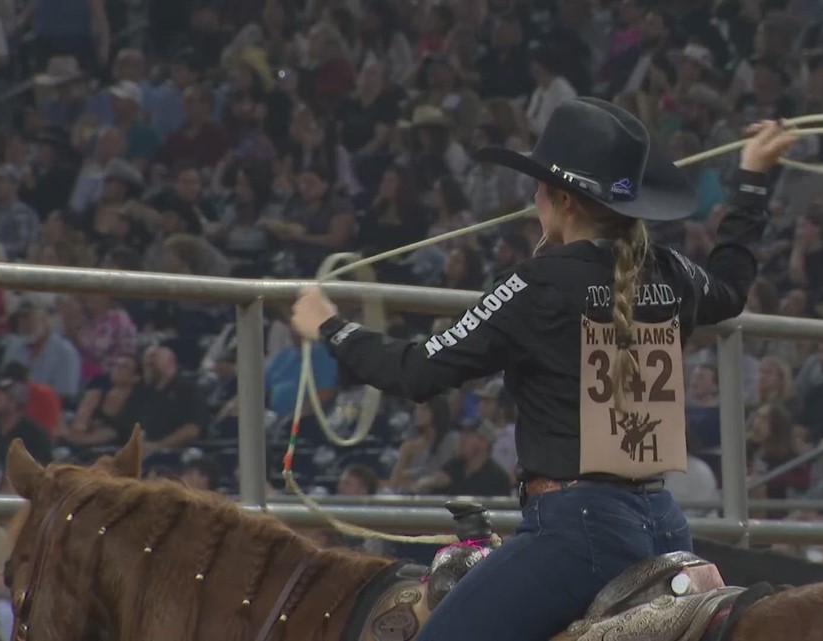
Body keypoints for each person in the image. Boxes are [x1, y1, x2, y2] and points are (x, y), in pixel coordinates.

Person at [291, 98, 796, 641]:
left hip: (576, 533)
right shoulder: (670, 273)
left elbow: (417, 372)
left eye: (538, 188)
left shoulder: (536, 287)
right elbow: (730, 287)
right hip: (664, 525)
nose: (534, 200)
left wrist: (331, 327)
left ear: (562, 199)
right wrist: (752, 180)